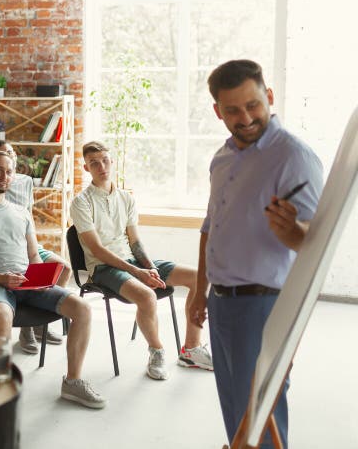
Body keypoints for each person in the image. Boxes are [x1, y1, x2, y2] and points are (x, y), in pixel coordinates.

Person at [189, 60, 323, 448]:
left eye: (253, 105)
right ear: (218, 111)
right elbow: (209, 227)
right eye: (232, 109)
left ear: (269, 96)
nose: (245, 117)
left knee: (261, 413)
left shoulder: (294, 157)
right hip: (222, 302)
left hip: (265, 305)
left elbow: (316, 241)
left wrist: (296, 232)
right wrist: (200, 291)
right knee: (235, 408)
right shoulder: (223, 158)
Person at [0, 150, 106, 409]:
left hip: (28, 283)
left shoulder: (22, 213)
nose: (4, 176)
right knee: (3, 316)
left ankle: (72, 382)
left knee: (82, 309)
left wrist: (41, 279)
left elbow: (34, 255)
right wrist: (1, 278)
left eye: (9, 171)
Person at [70, 141, 213, 380]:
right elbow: (96, 249)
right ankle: (157, 351)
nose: (101, 166)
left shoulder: (126, 198)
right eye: (94, 163)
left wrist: (150, 268)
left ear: (111, 162)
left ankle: (191, 349)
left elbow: (135, 242)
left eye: (105, 160)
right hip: (103, 267)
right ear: (86, 168)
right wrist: (138, 274)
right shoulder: (81, 202)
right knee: (147, 296)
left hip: (131, 261)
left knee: (199, 277)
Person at [0, 140, 70, 351]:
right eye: (0, 159)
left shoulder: (26, 181)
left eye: (11, 155)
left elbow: (29, 214)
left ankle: (37, 324)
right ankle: (28, 328)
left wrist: (31, 243)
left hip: (26, 238)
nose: (8, 160)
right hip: (2, 242)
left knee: (63, 267)